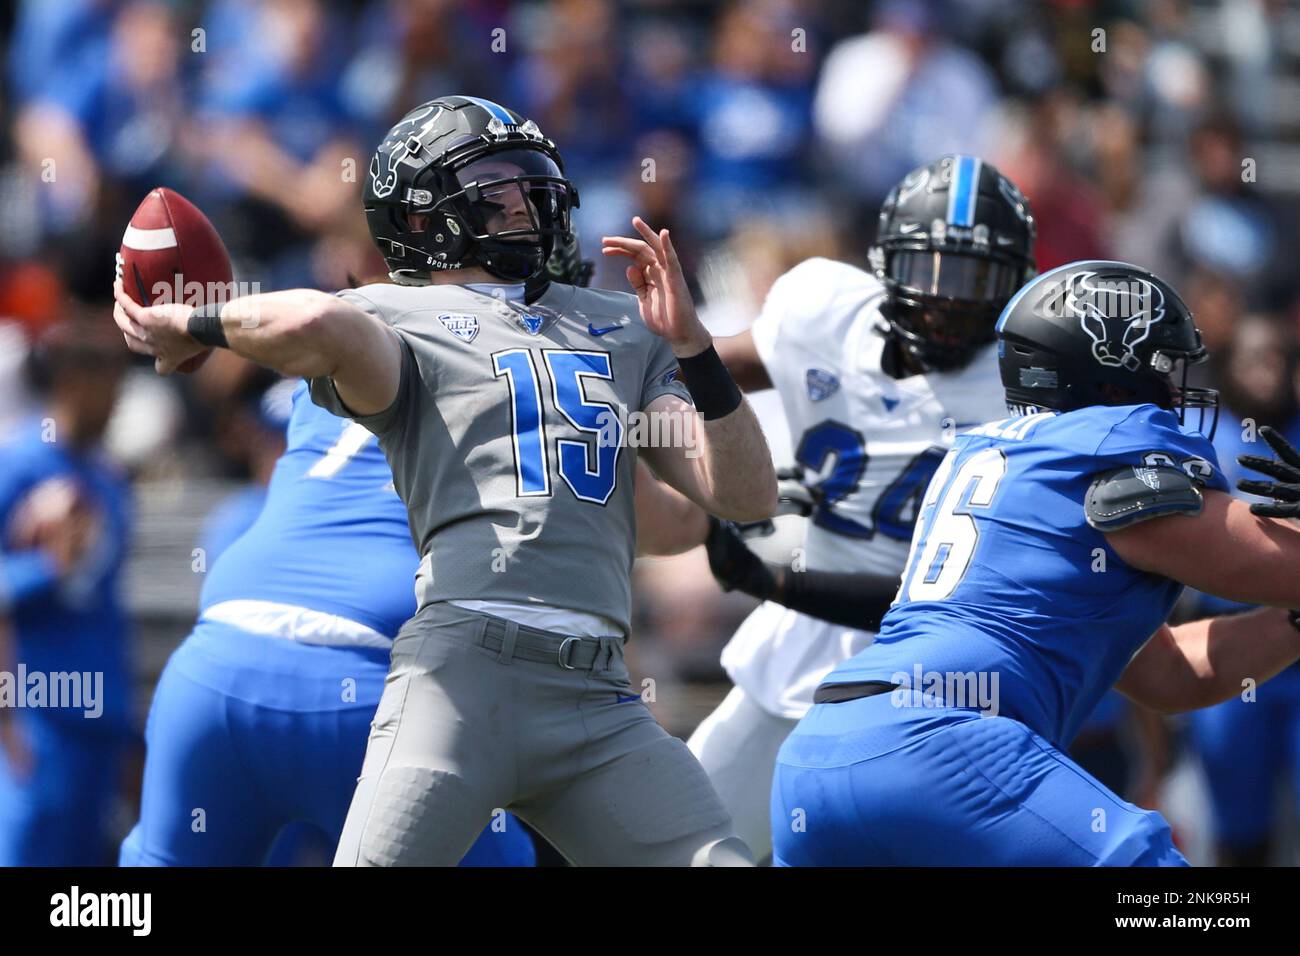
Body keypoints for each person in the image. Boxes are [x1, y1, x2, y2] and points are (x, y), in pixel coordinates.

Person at [113, 95, 776, 866]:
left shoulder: (624, 327)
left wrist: (696, 355)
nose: (527, 199)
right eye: (495, 185)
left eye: (531, 180)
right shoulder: (401, 315)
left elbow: (743, 495)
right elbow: (312, 326)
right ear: (423, 217)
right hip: (461, 677)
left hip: (597, 696)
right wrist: (197, 321)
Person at [771, 260, 1300, 866]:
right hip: (939, 744)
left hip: (819, 758)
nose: (1176, 392)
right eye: (1162, 368)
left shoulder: (998, 455)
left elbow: (1170, 672)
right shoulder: (1108, 445)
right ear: (1110, 379)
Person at [686, 154, 1037, 859]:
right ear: (886, 265)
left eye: (974, 280)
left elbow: (949, 601)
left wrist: (772, 580)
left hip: (941, 687)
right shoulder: (824, 310)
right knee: (668, 843)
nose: (946, 300)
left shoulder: (1029, 396)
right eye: (929, 272)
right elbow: (723, 369)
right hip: (796, 664)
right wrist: (628, 358)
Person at [0, 318, 133, 865]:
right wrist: (46, 569)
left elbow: (106, 600)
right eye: (110, 384)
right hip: (38, 711)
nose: (118, 400)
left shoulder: (110, 479)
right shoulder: (19, 465)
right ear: (74, 381)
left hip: (100, 715)